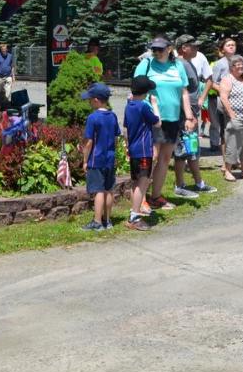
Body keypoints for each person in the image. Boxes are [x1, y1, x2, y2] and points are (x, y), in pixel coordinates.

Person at [134, 36, 195, 212]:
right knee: (151, 157)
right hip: (152, 119)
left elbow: (184, 92)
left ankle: (156, 196)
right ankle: (140, 199)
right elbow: (136, 89)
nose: (157, 52)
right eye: (154, 49)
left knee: (165, 158)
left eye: (160, 49)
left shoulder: (178, 66)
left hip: (173, 119)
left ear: (169, 49)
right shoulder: (146, 64)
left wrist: (189, 116)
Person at [173, 35, 215, 197]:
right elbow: (180, 91)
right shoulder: (180, 64)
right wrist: (188, 115)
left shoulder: (187, 62)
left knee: (192, 148)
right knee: (183, 148)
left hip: (191, 112)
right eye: (193, 46)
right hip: (185, 114)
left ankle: (198, 183)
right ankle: (179, 186)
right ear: (184, 48)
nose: (197, 48)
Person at [80, 82, 121, 232]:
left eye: (90, 99)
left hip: (96, 159)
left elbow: (89, 142)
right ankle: (107, 220)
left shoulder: (93, 118)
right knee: (108, 190)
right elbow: (116, 138)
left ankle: (97, 222)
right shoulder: (113, 116)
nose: (89, 102)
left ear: (96, 100)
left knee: (98, 190)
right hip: (110, 158)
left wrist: (85, 160)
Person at [124, 75, 160, 231]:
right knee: (143, 183)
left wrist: (127, 146)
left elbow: (126, 129)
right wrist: (155, 105)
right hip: (144, 150)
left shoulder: (129, 106)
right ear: (145, 92)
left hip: (134, 150)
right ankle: (134, 216)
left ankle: (135, 210)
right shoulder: (143, 107)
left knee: (135, 182)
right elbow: (157, 122)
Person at [206, 37, 238, 154]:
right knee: (215, 122)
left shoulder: (239, 61)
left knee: (230, 122)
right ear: (222, 49)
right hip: (218, 98)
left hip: (235, 98)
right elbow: (212, 82)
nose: (231, 46)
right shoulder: (219, 64)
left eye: (233, 45)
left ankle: (229, 145)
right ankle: (215, 143)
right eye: (228, 45)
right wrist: (223, 91)